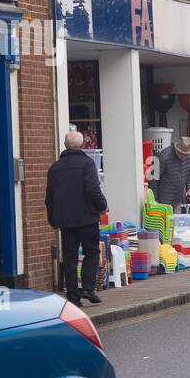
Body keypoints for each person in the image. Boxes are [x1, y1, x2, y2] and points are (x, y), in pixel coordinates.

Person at [45, 130, 108, 306]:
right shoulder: (87, 164)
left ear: (65, 145)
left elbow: (49, 196)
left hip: (65, 221)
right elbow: (93, 189)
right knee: (92, 252)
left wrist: (52, 218)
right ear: (81, 145)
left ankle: (72, 296)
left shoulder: (54, 168)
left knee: (70, 257)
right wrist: (102, 206)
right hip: (86, 217)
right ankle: (88, 287)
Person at [152, 137, 190, 209]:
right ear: (176, 149)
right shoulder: (163, 156)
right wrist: (155, 201)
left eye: (185, 154)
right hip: (164, 200)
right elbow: (153, 180)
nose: (183, 156)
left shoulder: (188, 155)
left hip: (179, 199)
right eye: (181, 154)